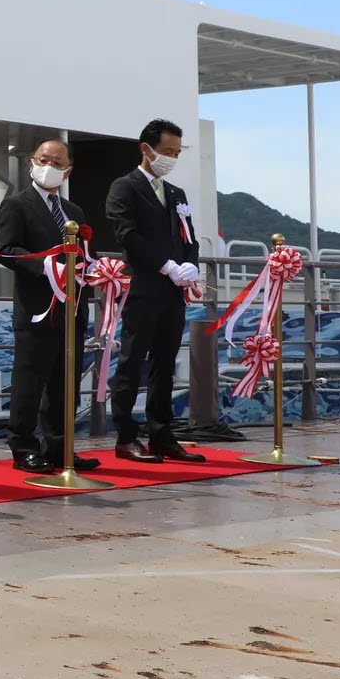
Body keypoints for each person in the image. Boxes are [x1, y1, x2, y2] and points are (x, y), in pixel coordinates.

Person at [103, 118, 208, 465]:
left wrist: (190, 264)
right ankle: (126, 436)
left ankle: (162, 432)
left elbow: (188, 235)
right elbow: (128, 234)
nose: (171, 158)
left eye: (176, 153)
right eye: (166, 152)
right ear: (146, 149)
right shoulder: (124, 187)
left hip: (173, 290)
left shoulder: (176, 193)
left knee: (165, 361)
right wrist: (166, 265)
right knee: (132, 360)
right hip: (144, 286)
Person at [0, 140, 102, 474]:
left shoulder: (74, 212)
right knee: (29, 383)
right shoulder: (16, 205)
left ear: (67, 170)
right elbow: (5, 249)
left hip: (71, 311)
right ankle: (23, 447)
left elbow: (82, 256)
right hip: (36, 308)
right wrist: (46, 268)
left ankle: (59, 446)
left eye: (57, 162)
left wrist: (94, 272)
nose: (49, 165)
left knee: (65, 384)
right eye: (44, 159)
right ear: (31, 164)